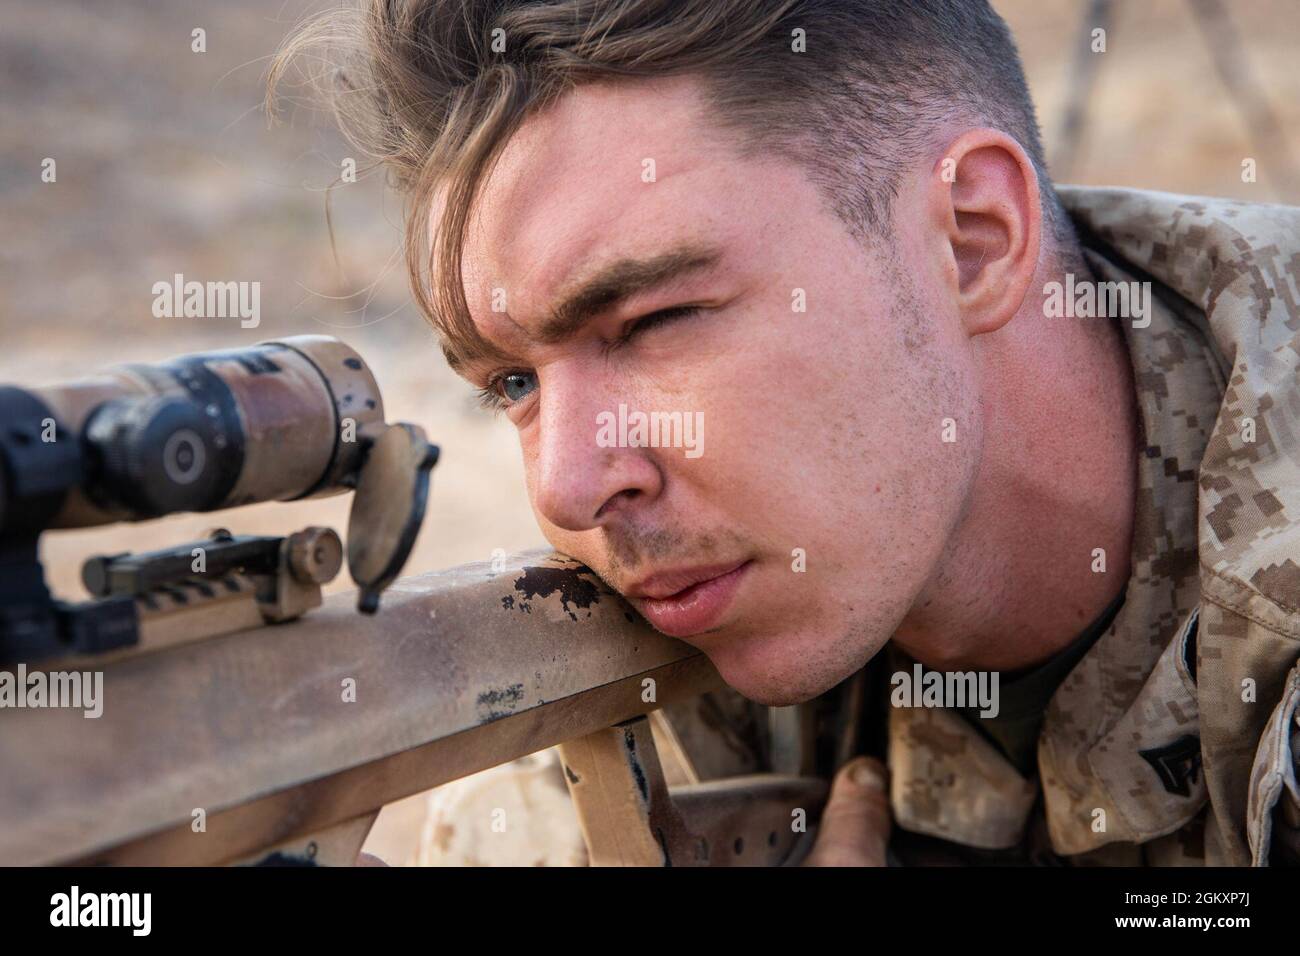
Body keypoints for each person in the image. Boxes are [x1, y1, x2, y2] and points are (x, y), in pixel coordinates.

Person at [274, 0, 1300, 866]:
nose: (567, 486)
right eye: (511, 381)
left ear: (974, 240)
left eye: (652, 322)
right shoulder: (681, 628)